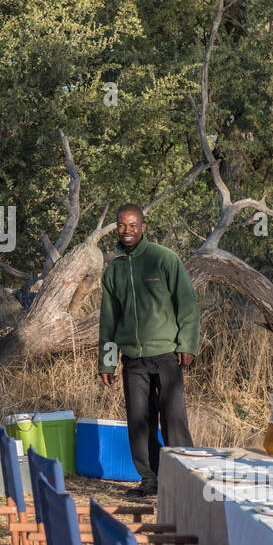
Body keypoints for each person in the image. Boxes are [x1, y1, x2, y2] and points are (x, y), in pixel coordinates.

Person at [97, 204, 199, 497]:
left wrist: (187, 344)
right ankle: (150, 480)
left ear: (143, 227)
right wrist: (107, 363)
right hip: (133, 360)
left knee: (174, 420)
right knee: (139, 422)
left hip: (167, 354)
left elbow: (187, 304)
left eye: (132, 225)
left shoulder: (164, 259)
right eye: (121, 226)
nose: (126, 231)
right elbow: (109, 321)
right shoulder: (113, 270)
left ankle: (186, 480)